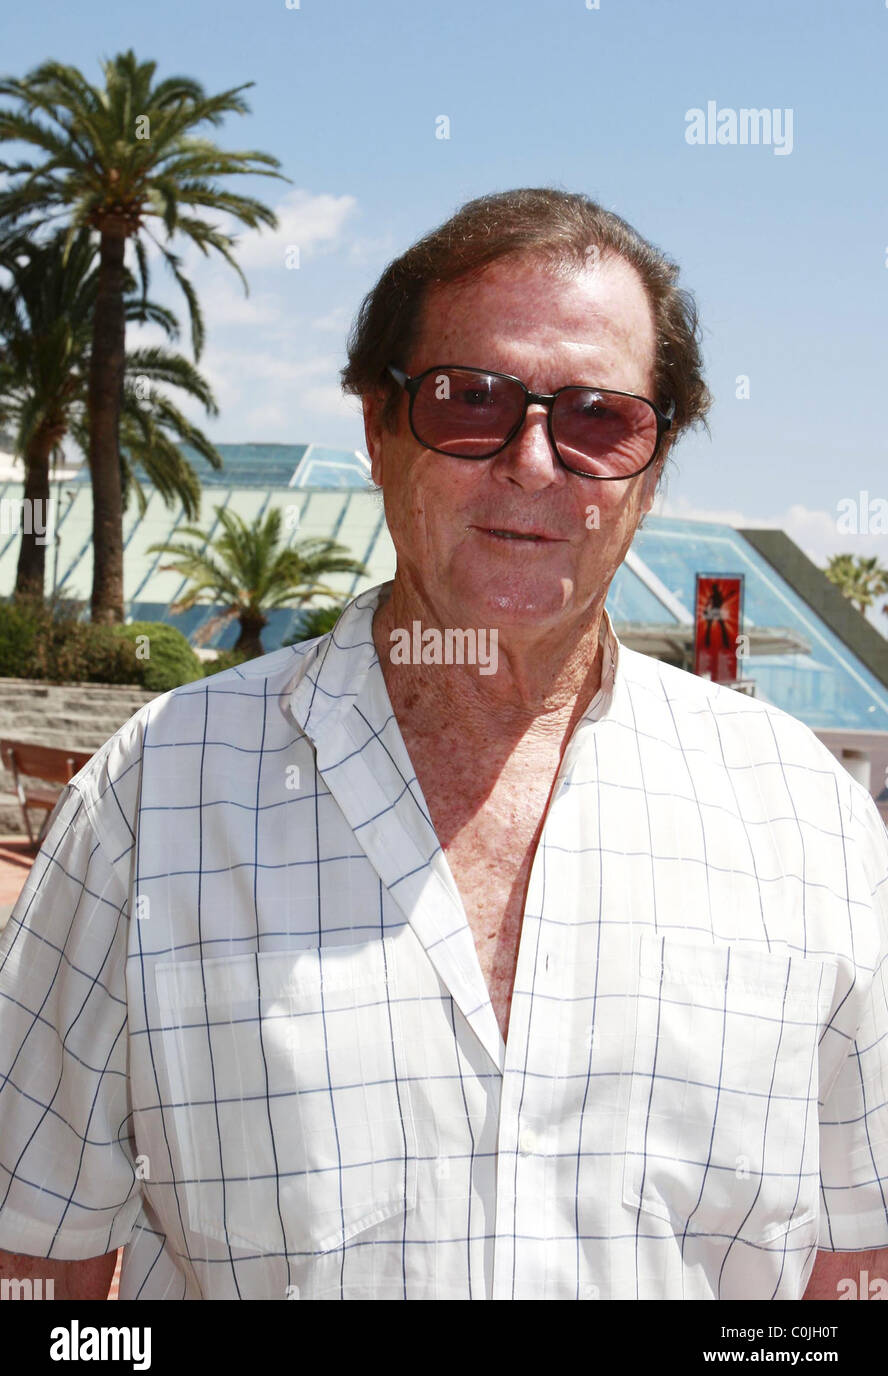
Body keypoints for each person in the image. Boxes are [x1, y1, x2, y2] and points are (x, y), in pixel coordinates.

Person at [0, 188, 886, 1301]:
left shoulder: (806, 820)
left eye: (597, 418)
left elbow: (854, 1265)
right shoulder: (157, 798)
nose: (531, 462)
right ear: (379, 428)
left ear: (651, 472)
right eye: (471, 401)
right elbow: (36, 1258)